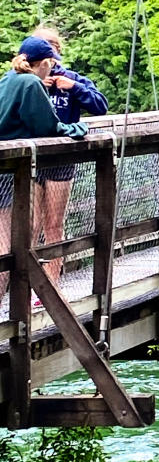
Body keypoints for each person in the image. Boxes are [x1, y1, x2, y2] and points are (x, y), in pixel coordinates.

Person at [0, 37, 88, 302]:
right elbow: (48, 127)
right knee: (8, 242)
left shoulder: (7, 79)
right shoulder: (31, 83)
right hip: (13, 172)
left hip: (4, 165)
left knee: (7, 235)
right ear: (47, 62)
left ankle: (12, 302)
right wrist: (77, 129)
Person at [30, 25, 107, 287]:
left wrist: (73, 87)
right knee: (29, 227)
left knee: (53, 225)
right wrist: (36, 85)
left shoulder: (71, 78)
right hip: (29, 161)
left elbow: (100, 106)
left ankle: (51, 286)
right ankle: (27, 284)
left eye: (51, 46)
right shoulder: (24, 79)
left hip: (61, 161)